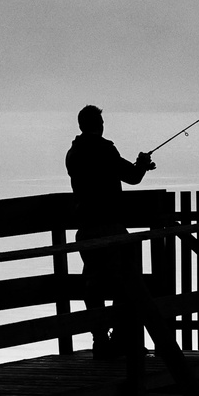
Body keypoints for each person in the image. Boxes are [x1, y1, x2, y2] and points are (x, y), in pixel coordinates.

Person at [66, 105, 155, 358]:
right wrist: (142, 164)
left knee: (93, 282)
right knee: (123, 280)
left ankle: (99, 338)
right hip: (110, 227)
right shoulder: (105, 149)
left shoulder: (72, 154)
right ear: (99, 124)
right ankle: (119, 337)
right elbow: (132, 177)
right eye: (102, 121)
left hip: (86, 228)